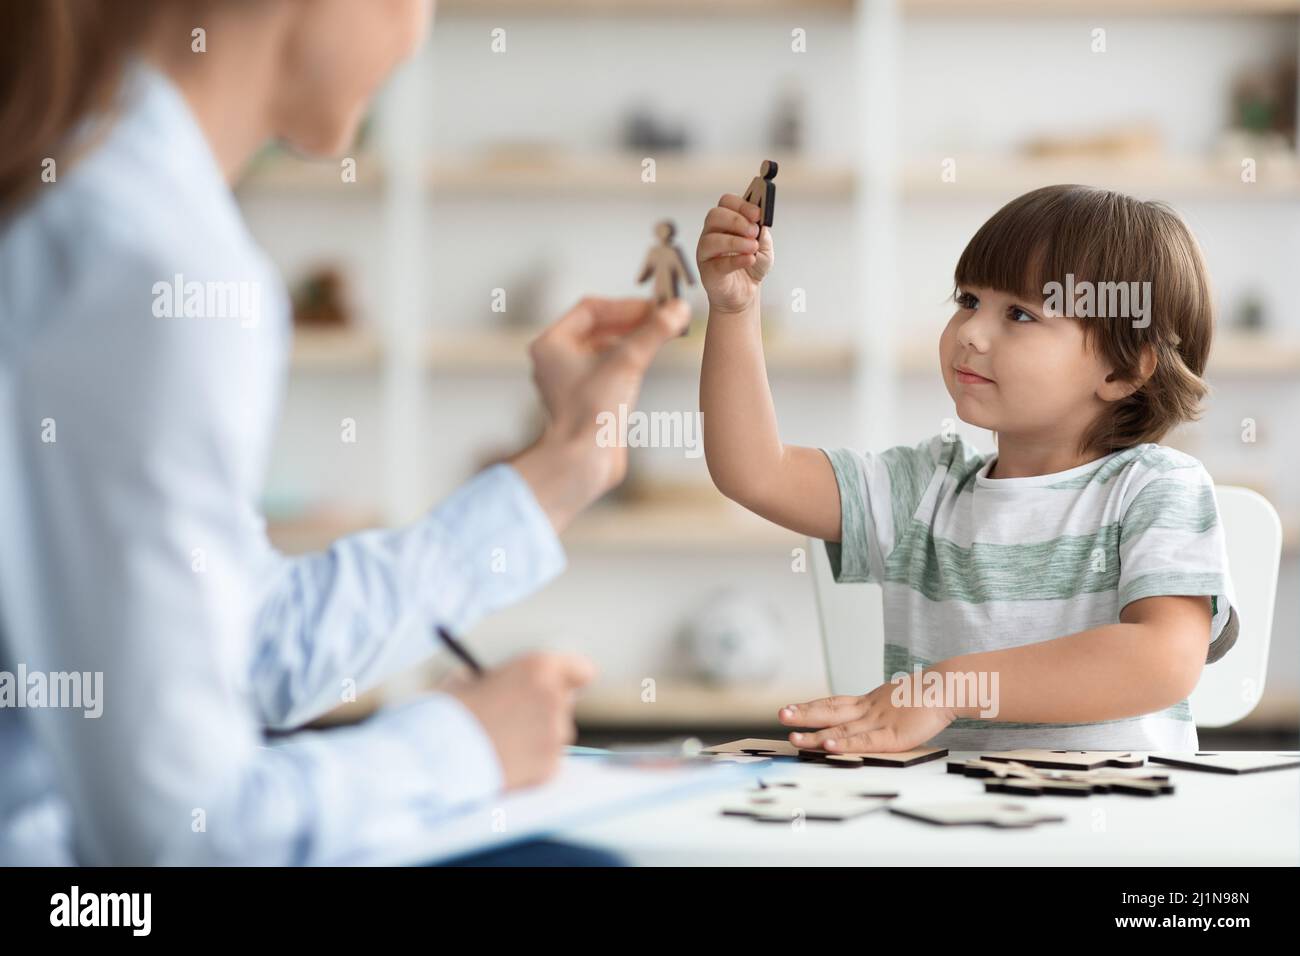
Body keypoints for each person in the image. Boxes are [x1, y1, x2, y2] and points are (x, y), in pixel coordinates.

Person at [0, 0, 687, 865]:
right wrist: (463, 744)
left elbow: (258, 640)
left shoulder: (92, 186)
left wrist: (560, 471)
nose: (419, 28)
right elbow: (176, 838)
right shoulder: (152, 259)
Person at [696, 183, 1239, 754]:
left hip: (1113, 834)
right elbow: (754, 471)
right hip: (945, 828)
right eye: (969, 300)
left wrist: (950, 687)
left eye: (1021, 315)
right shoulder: (924, 490)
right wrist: (736, 307)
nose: (972, 333)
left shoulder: (1157, 488)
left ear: (1124, 371)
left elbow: (1164, 660)